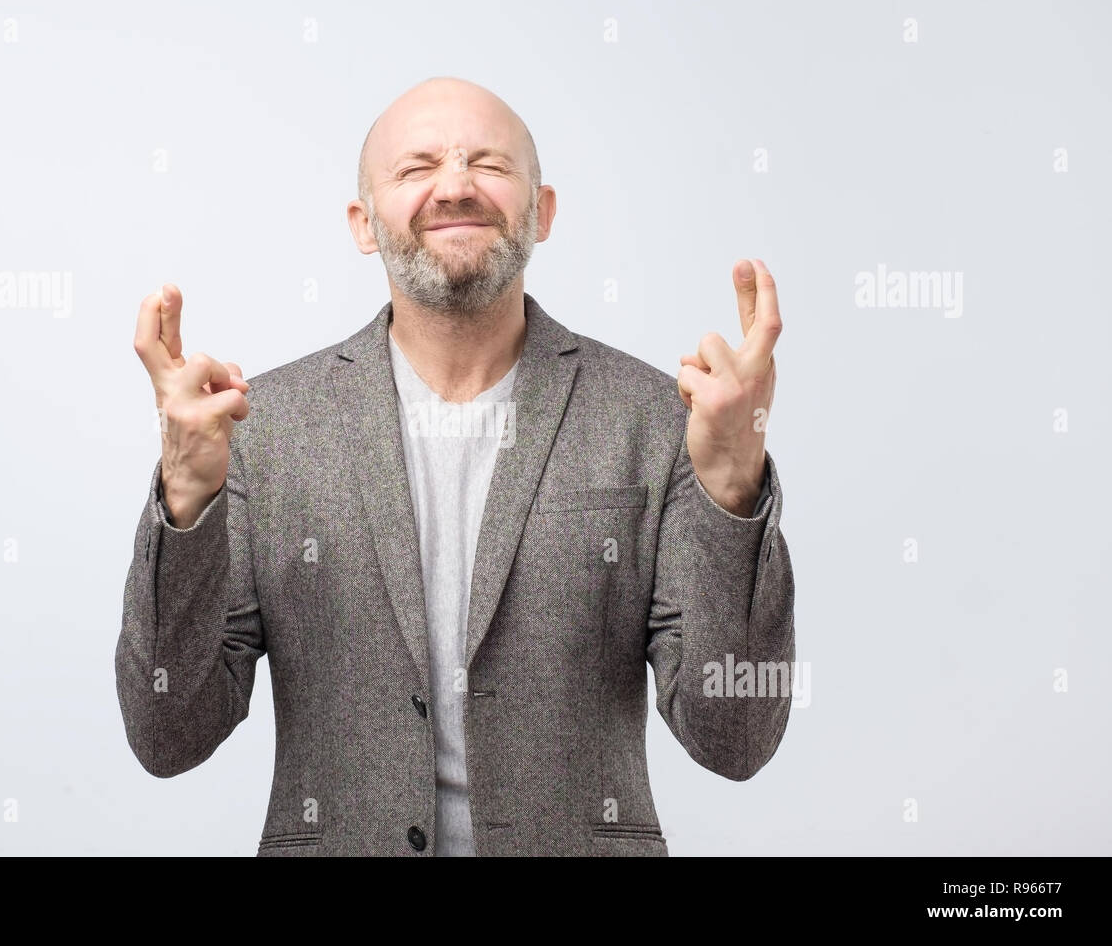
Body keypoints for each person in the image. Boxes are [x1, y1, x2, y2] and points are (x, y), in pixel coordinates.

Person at [117, 76, 794, 857]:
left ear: (541, 212)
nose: (456, 186)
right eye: (416, 168)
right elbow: (168, 735)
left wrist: (733, 491)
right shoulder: (260, 429)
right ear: (363, 224)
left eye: (489, 165)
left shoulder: (655, 416)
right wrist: (185, 502)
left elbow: (735, 740)